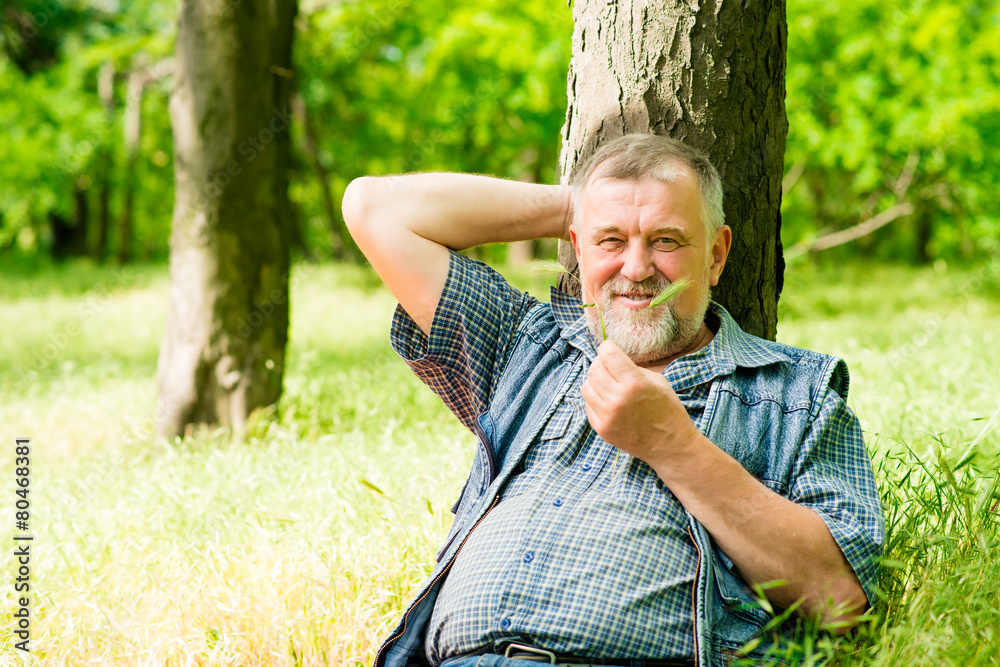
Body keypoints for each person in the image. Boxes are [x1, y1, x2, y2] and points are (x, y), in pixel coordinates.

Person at [343, 134, 885, 667]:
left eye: (666, 240)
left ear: (716, 256)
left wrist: (673, 445)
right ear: (578, 251)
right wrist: (579, 205)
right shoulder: (525, 347)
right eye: (611, 243)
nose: (635, 269)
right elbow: (376, 210)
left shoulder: (794, 391)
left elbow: (838, 598)